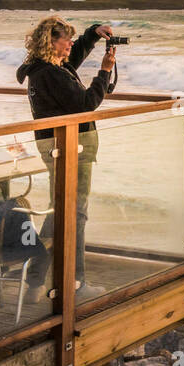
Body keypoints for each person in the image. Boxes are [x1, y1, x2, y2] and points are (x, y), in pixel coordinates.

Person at [15, 16, 116, 301]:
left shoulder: (47, 69)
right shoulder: (51, 74)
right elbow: (85, 105)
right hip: (72, 148)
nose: (71, 44)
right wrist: (104, 72)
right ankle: (75, 283)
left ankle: (35, 281)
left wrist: (93, 34)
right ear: (52, 42)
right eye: (66, 40)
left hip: (58, 146)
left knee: (57, 212)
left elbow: (77, 54)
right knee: (75, 215)